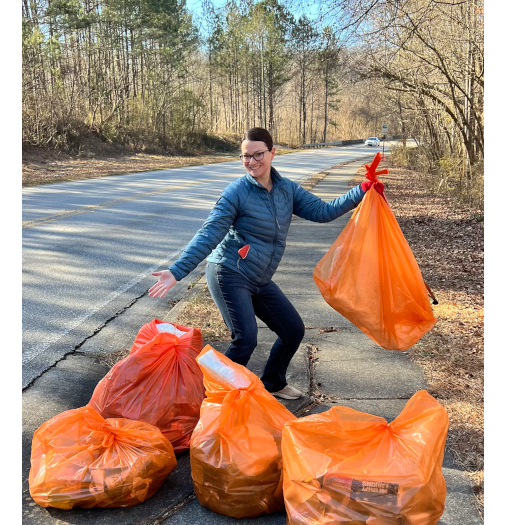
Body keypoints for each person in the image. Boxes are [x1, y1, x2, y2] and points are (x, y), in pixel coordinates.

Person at [148, 127, 384, 400]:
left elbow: (322, 212)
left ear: (272, 153)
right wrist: (176, 271)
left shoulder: (287, 190)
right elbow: (209, 234)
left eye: (258, 154)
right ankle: (210, 399)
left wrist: (361, 190)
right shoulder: (236, 193)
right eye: (245, 156)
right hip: (229, 272)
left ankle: (273, 382)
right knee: (246, 339)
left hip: (259, 277)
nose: (251, 162)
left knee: (292, 330)